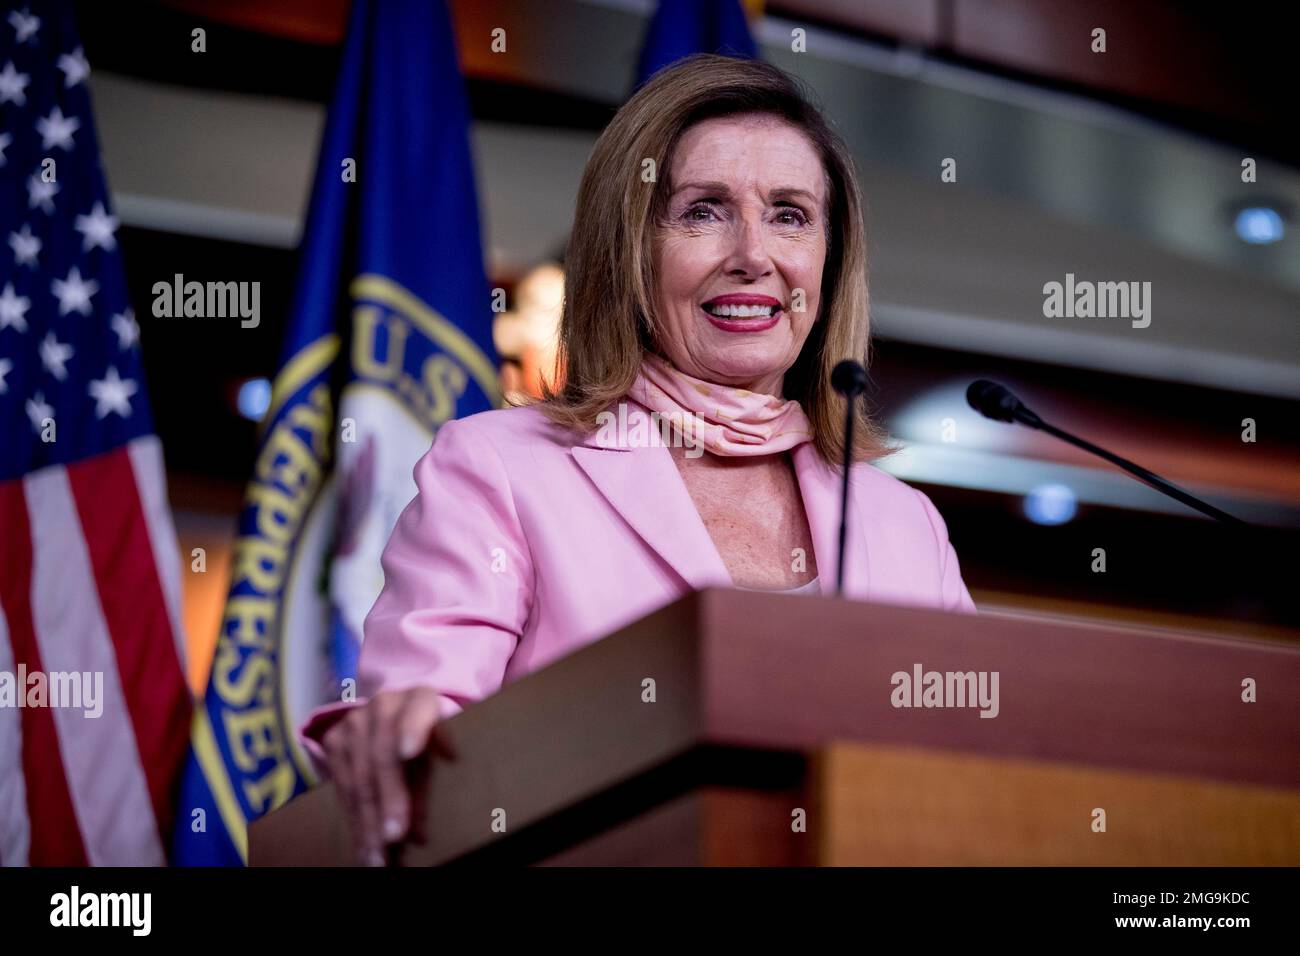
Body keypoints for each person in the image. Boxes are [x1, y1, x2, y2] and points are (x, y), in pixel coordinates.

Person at [300, 53, 975, 865]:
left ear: (829, 265)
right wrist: (394, 728)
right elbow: (426, 719)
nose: (753, 254)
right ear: (630, 248)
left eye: (791, 214)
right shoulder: (501, 470)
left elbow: (973, 772)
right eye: (703, 211)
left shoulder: (904, 525)